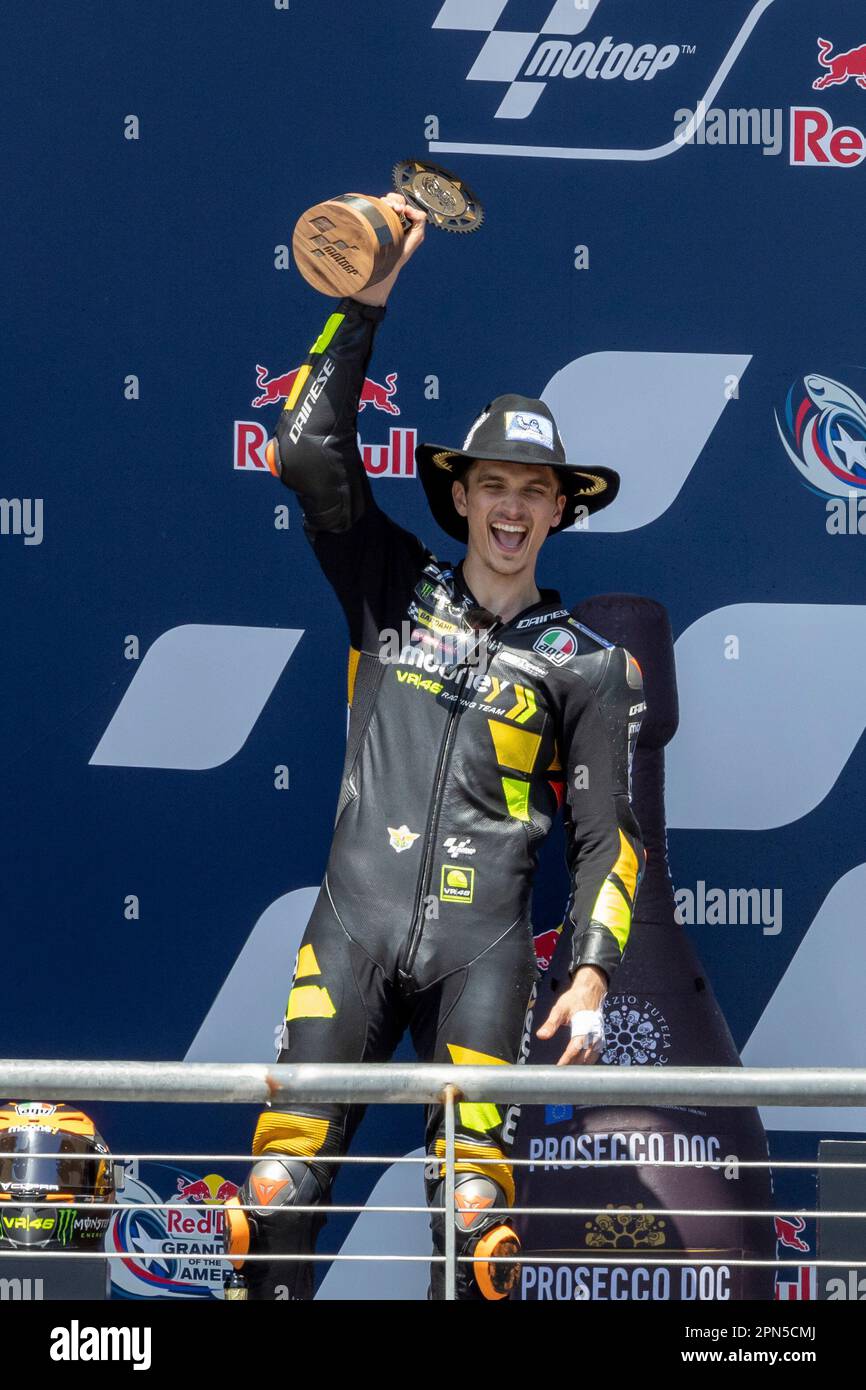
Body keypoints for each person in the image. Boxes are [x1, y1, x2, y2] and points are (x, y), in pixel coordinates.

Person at [225, 193, 646, 1300]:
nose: (511, 509)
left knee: (476, 1225)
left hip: (483, 956)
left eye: (534, 492)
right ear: (459, 495)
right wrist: (362, 303)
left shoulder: (586, 663)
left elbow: (610, 841)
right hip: (349, 928)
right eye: (493, 486)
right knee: (271, 1195)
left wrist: (593, 972)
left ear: (561, 511)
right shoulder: (387, 581)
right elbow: (305, 450)